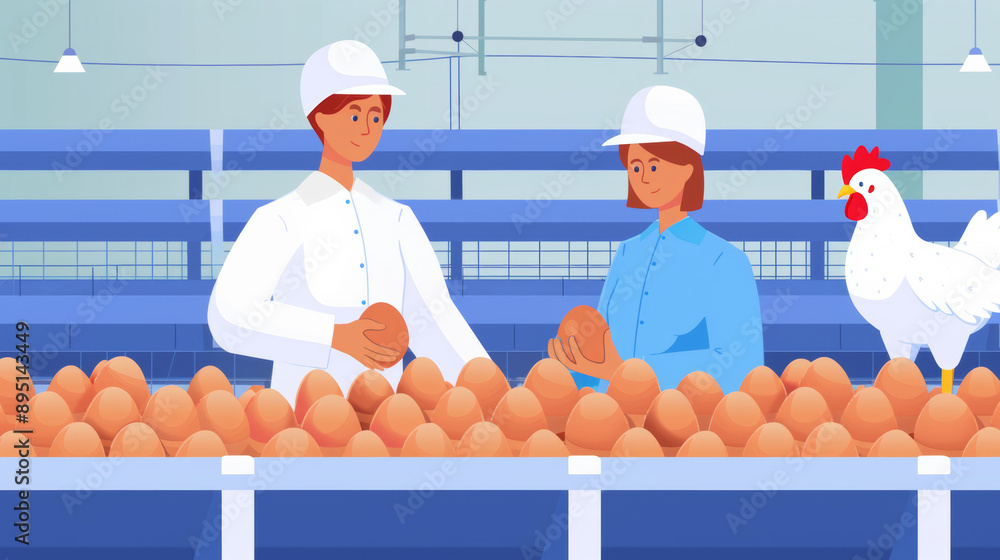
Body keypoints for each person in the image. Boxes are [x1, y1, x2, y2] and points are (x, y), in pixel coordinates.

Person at [208, 40, 490, 400]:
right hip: (300, 432)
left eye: (376, 116)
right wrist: (335, 336)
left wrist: (491, 394)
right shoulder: (280, 219)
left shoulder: (397, 219)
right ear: (320, 117)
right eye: (354, 115)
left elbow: (435, 318)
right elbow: (229, 317)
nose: (367, 128)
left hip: (391, 432)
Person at [548, 86, 764, 394]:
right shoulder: (626, 253)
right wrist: (575, 369)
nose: (643, 177)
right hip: (612, 427)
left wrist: (624, 373)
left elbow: (740, 367)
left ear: (688, 167)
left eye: (654, 165)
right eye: (635, 166)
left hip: (690, 432)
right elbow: (599, 358)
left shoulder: (724, 261)